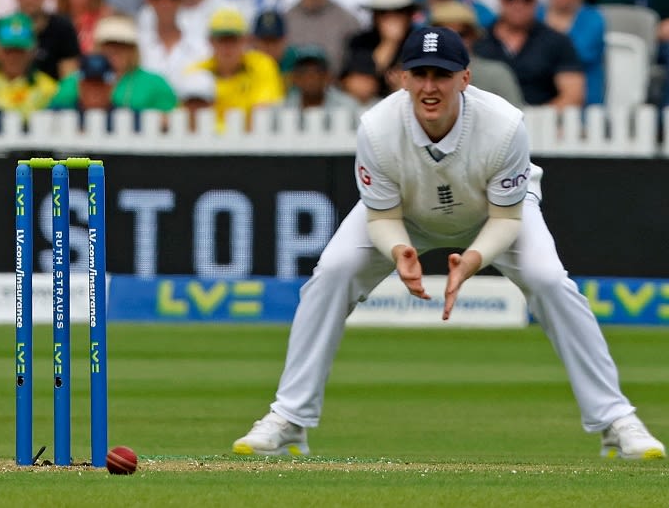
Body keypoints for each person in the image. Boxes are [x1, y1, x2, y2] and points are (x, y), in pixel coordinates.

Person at [231, 25, 665, 461]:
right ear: (402, 78)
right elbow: (381, 216)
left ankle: (616, 421)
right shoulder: (377, 128)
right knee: (332, 272)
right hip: (405, 213)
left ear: (464, 79)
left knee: (549, 280)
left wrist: (474, 258)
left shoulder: (504, 125)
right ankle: (290, 418)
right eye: (419, 74)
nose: (430, 86)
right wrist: (399, 250)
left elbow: (507, 216)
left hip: (494, 214)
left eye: (442, 75)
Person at [474, 0, 585, 108]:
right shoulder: (478, 40)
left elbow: (573, 96)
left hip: (543, 124)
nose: (518, 5)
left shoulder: (557, 41)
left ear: (536, 1)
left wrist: (533, 118)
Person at [193, 6, 283, 129]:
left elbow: (263, 114)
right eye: (222, 40)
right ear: (210, 41)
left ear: (245, 40)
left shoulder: (262, 65)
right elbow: (191, 120)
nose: (227, 47)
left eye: (233, 39)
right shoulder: (196, 73)